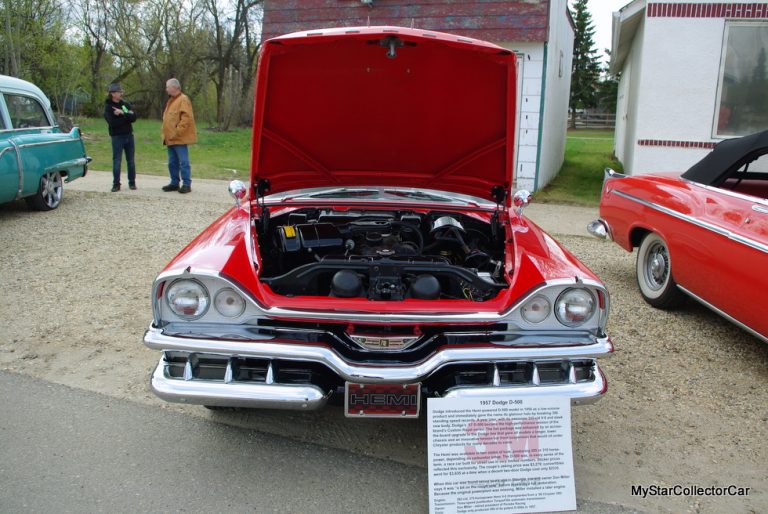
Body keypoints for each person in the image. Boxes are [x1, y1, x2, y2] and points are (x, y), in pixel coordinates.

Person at [160, 78, 197, 194]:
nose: (166, 89)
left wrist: (177, 132)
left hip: (178, 138)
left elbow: (186, 118)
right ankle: (174, 183)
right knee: (172, 162)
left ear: (174, 87)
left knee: (183, 162)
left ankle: (186, 184)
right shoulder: (171, 100)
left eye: (167, 87)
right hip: (170, 138)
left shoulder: (183, 99)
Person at [103, 83, 137, 192]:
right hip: (117, 137)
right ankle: (116, 184)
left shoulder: (124, 105)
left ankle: (132, 182)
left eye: (121, 91)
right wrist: (126, 117)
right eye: (118, 92)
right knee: (117, 160)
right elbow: (113, 123)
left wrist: (122, 113)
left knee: (131, 161)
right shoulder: (108, 107)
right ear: (113, 94)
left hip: (129, 135)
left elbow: (133, 117)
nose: (120, 93)